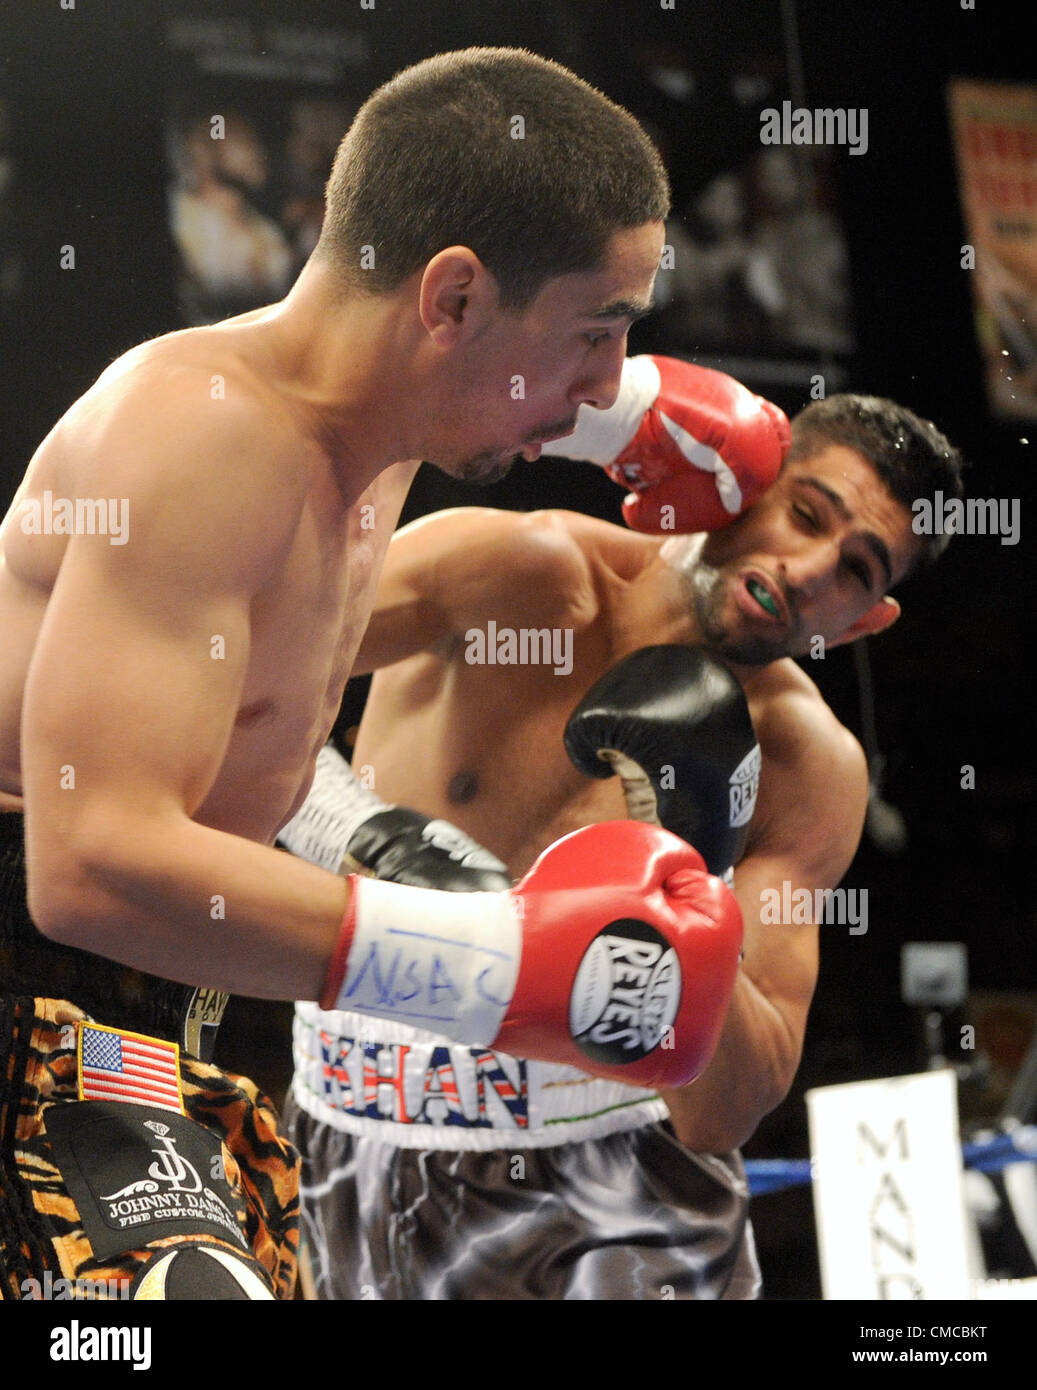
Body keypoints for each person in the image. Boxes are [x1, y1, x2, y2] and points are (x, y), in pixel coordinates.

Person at [0, 47, 784, 1300]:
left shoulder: (404, 407)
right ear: (453, 296)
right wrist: (499, 965)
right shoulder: (203, 440)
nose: (600, 381)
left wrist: (692, 423)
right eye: (597, 331)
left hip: (161, 1024)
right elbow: (88, 862)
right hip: (34, 996)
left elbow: (568, 387)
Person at [279, 390, 964, 1300]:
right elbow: (234, 678)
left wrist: (697, 862)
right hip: (346, 1128)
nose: (806, 569)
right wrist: (354, 835)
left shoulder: (807, 767)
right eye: (804, 513)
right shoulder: (510, 569)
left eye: (855, 571)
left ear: (862, 622)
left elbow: (724, 1111)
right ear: (739, 485)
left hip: (615, 1181)